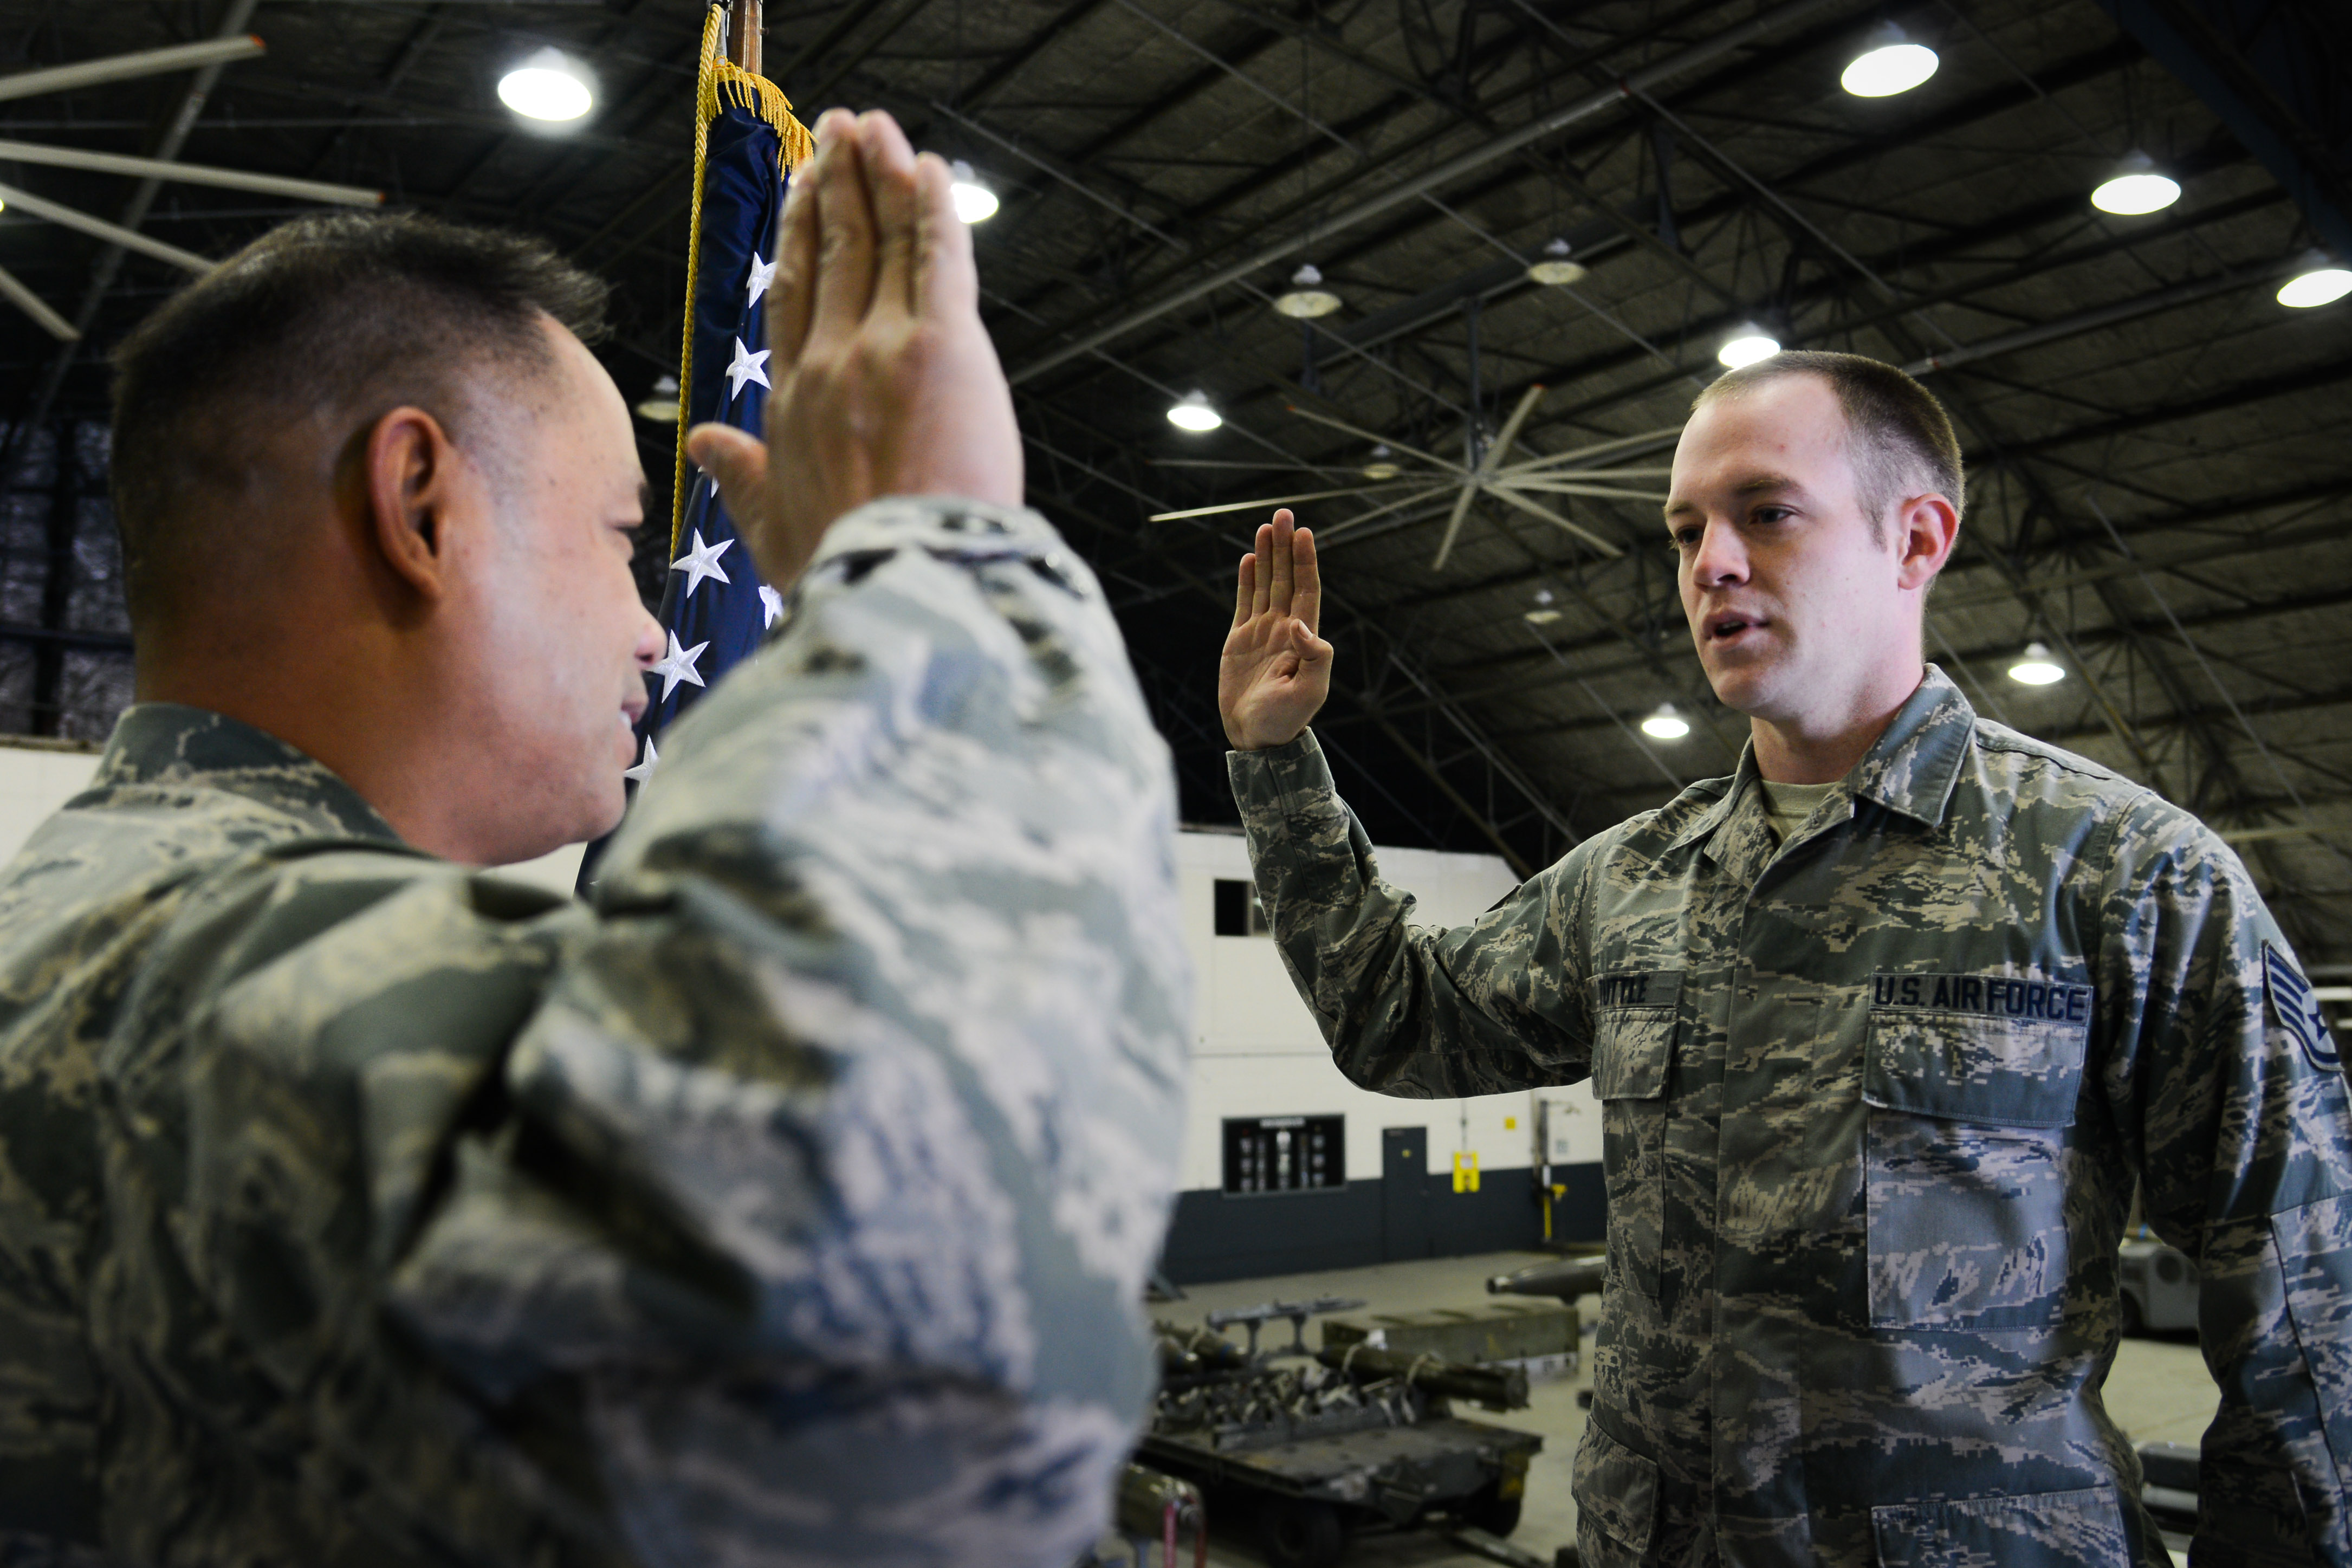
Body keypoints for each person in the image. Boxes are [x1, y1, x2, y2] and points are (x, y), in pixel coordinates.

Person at [0, 108, 1189, 1567]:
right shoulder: (235, 978)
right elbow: (914, 1419)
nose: (651, 629)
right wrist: (940, 576)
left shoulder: (105, 925)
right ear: (419, 502)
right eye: (626, 534)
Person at [1217, 352, 2352, 1568]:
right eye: (1684, 529)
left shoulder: (2122, 873)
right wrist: (1278, 768)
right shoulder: (1631, 880)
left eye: (1765, 512)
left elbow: (2307, 1325)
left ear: (1913, 539)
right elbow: (1398, 1018)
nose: (1708, 563)